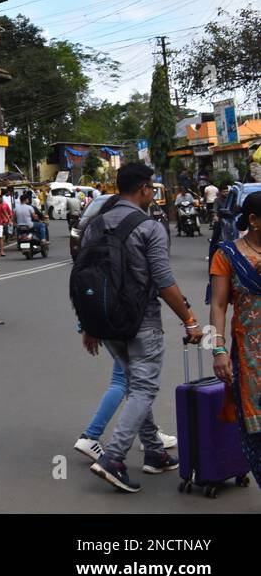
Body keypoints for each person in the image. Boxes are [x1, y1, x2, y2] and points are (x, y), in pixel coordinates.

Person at [83, 163, 203, 494]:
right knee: (144, 388)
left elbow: (85, 277)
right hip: (141, 322)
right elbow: (164, 281)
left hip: (105, 322)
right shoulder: (149, 226)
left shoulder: (95, 225)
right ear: (145, 189)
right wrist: (190, 319)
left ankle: (153, 452)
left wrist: (88, 325)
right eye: (152, 187)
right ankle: (114, 459)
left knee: (136, 385)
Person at [208, 190, 261, 482]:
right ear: (253, 220)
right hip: (249, 358)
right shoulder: (227, 255)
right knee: (255, 435)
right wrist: (217, 350)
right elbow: (217, 306)